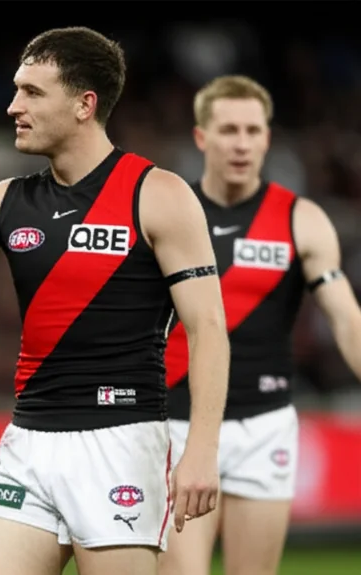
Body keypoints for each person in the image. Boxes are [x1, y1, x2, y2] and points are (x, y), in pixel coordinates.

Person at [0, 27, 229, 575]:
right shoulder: (6, 202)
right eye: (16, 90)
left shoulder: (158, 194)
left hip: (121, 442)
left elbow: (207, 328)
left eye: (32, 92)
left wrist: (201, 451)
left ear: (85, 105)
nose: (13, 106)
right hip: (29, 443)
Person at [159, 75, 361, 575]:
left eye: (254, 130)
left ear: (268, 138)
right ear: (202, 137)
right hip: (176, 422)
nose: (242, 142)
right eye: (229, 129)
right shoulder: (168, 213)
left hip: (264, 425)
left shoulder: (301, 220)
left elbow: (346, 318)